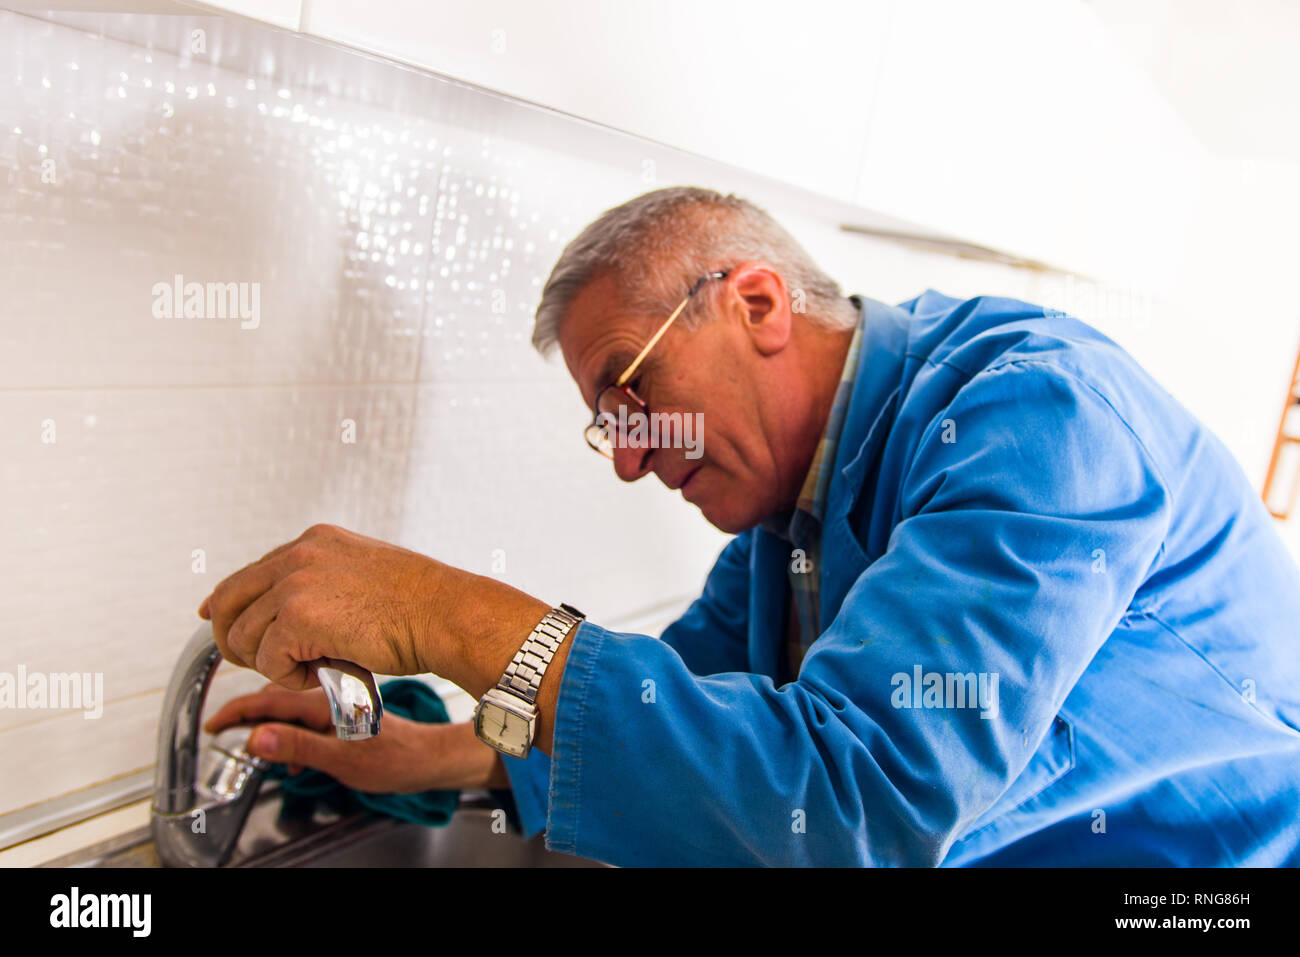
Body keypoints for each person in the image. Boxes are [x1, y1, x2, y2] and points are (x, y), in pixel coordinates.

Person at [203, 187, 1300, 866]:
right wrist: (439, 755)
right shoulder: (791, 528)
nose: (628, 456)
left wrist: (444, 610)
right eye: (605, 429)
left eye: (632, 392)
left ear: (758, 305)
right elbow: (662, 726)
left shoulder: (1036, 414)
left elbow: (850, 809)